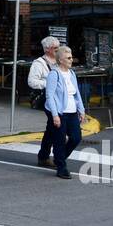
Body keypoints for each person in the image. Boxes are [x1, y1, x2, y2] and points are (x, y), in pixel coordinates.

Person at [41, 45, 87, 178]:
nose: (71, 60)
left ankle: (58, 158)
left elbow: (76, 93)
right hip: (59, 113)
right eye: (68, 58)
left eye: (71, 57)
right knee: (59, 140)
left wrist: (81, 110)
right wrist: (55, 115)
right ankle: (61, 167)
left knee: (76, 138)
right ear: (60, 60)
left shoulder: (72, 73)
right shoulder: (54, 74)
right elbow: (49, 96)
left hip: (72, 112)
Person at [27, 36, 62, 108]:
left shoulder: (60, 61)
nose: (58, 50)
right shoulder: (39, 63)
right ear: (47, 49)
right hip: (44, 98)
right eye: (55, 48)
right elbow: (31, 82)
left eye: (58, 47)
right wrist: (49, 84)